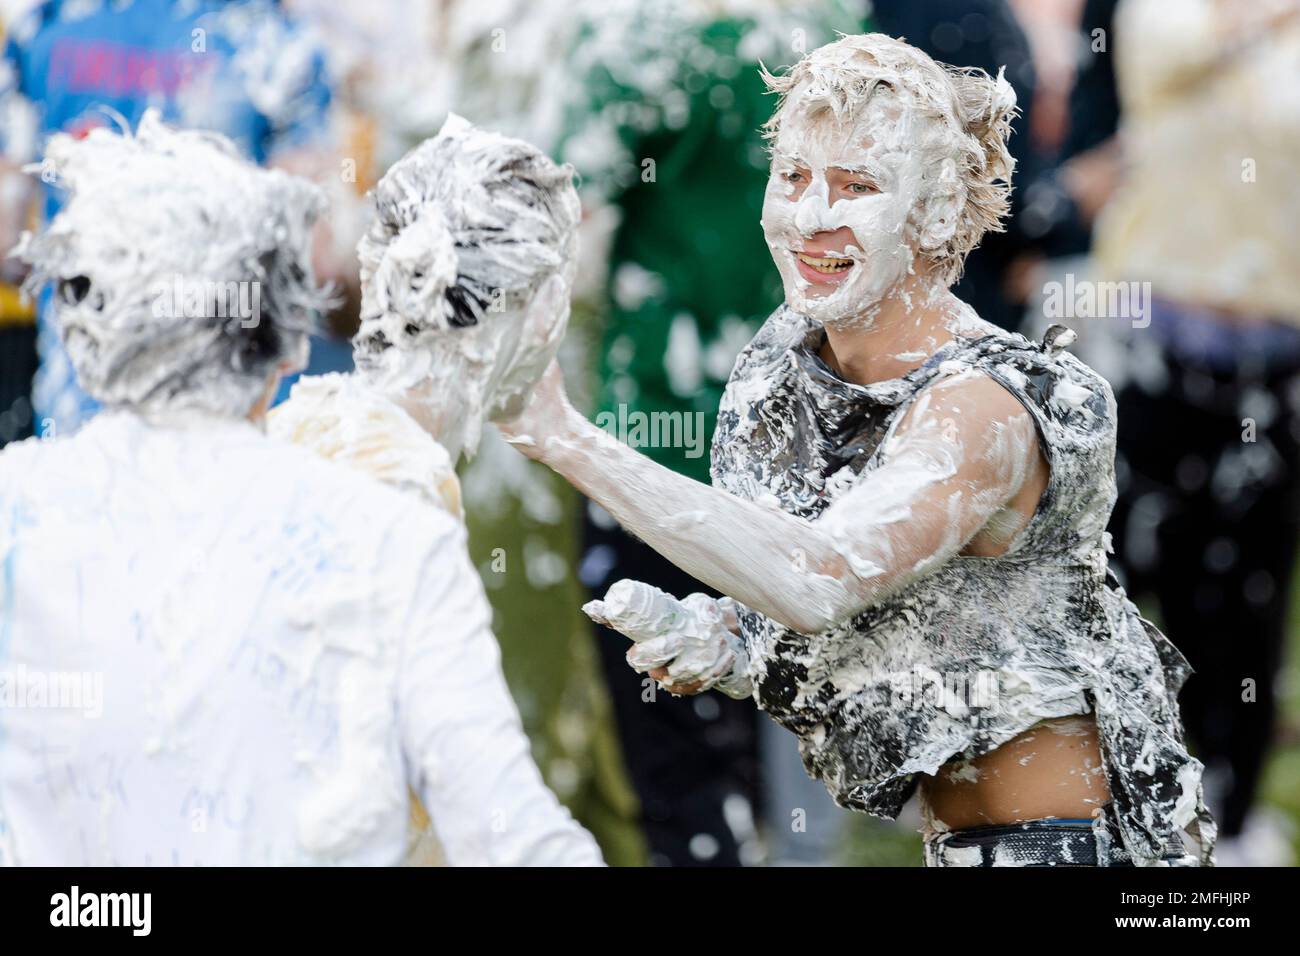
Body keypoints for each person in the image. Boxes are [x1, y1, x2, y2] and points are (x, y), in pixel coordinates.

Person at [502, 33, 1215, 867]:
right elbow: (886, 612)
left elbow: (825, 575)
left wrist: (562, 437)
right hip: (960, 843)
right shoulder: (791, 372)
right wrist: (732, 638)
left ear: (939, 210)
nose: (811, 216)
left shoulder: (980, 406)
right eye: (794, 176)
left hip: (1081, 848)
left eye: (858, 185)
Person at [0, 111, 602, 866]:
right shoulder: (390, 536)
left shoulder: (16, 507)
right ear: (286, 346)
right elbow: (510, 837)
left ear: (84, 335)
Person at [1097, 0, 1300, 865]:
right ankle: (1114, 806)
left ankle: (1234, 819)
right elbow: (1166, 58)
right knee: (1127, 582)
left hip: (1278, 349)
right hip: (1153, 335)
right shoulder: (1159, 9)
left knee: (1247, 595)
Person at [0, 0, 346, 438]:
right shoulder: (273, 39)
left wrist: (98, 284)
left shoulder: (44, 26)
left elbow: (8, 242)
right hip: (234, 409)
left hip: (83, 407)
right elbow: (314, 261)